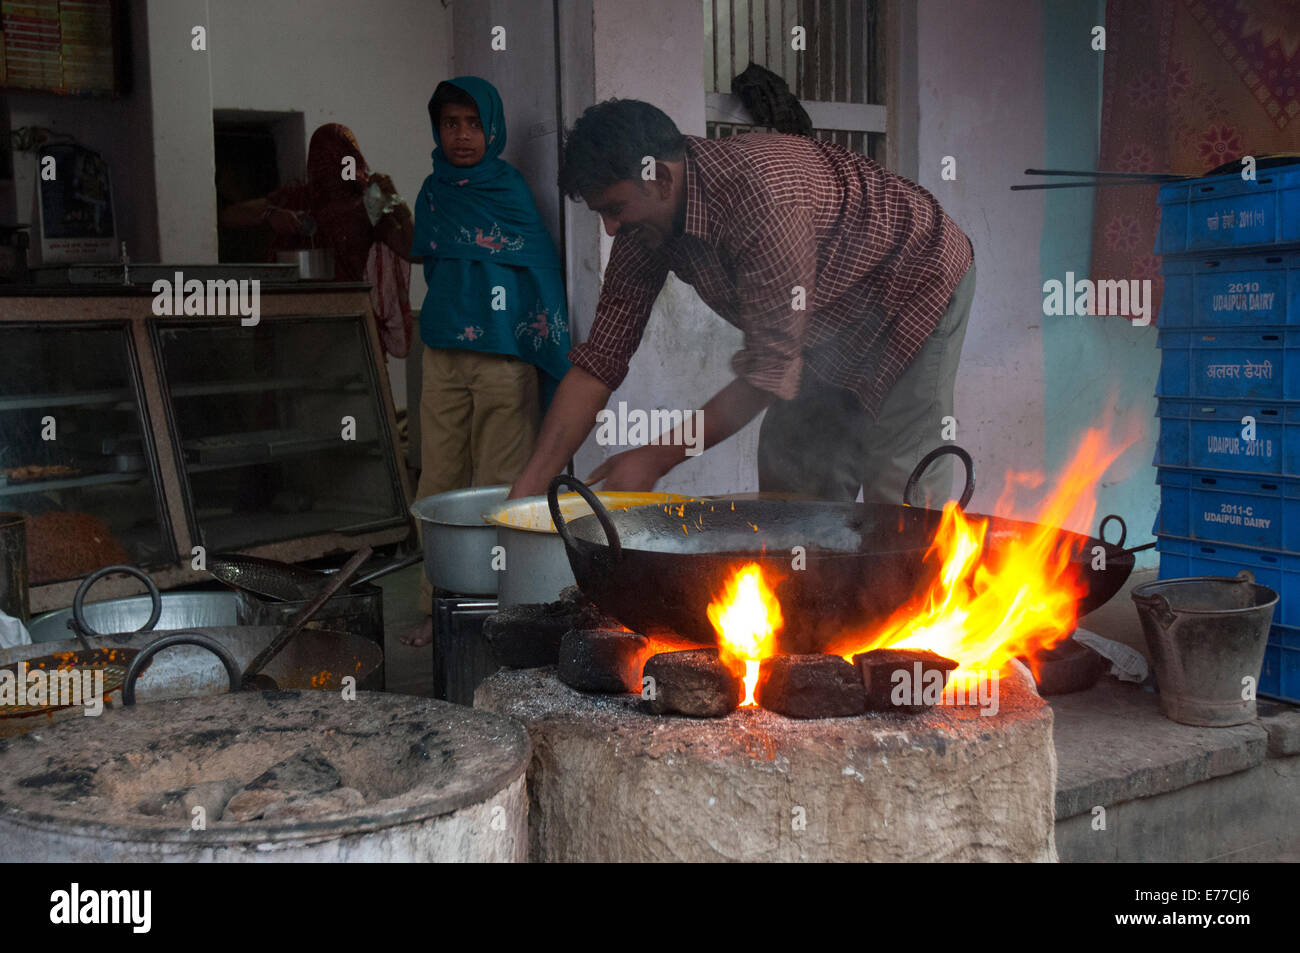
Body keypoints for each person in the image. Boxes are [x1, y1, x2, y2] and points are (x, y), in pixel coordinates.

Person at [508, 99, 974, 506]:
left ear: (661, 182)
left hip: (913, 285)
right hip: (819, 321)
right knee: (791, 476)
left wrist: (657, 456)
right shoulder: (642, 229)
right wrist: (528, 488)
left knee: (899, 492)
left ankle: (908, 599)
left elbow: (768, 372)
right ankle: (809, 600)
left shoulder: (762, 198)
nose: (609, 229)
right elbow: (600, 361)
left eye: (614, 209)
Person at [401, 76, 571, 647]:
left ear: (492, 128)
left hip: (504, 359)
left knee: (504, 488)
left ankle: (503, 608)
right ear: (437, 129)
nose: (463, 136)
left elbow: (541, 270)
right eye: (451, 124)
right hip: (443, 356)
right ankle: (440, 607)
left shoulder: (510, 191)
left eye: (473, 123)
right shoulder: (432, 192)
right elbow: (436, 263)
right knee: (439, 486)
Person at [218, 123, 415, 358]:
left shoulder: (368, 202)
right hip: (302, 322)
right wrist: (269, 215)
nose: (331, 169)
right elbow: (228, 216)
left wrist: (397, 203)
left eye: (337, 160)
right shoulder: (297, 199)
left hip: (349, 323)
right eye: (325, 161)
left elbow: (415, 252)